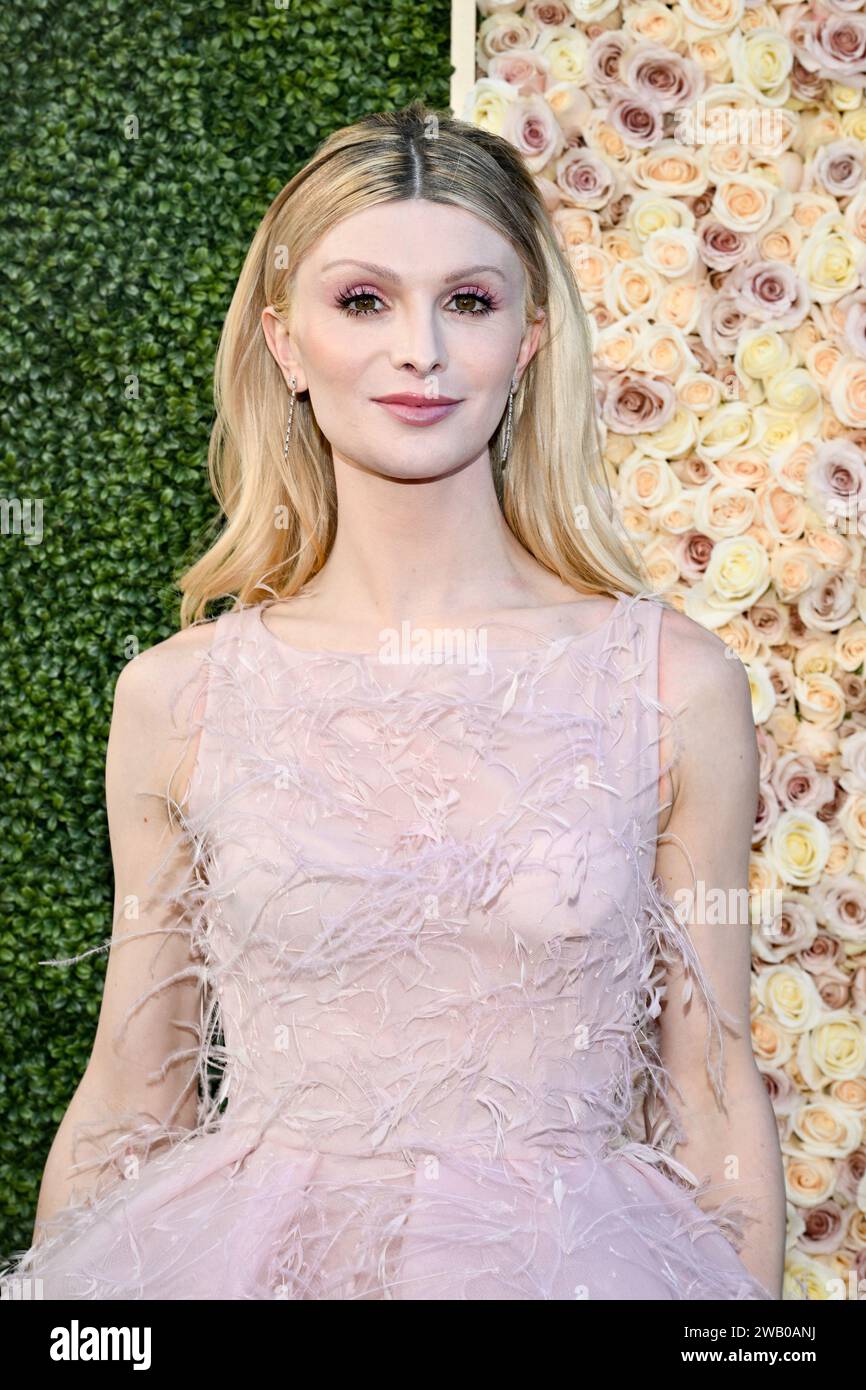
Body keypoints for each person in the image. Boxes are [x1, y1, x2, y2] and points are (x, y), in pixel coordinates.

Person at [0, 100, 785, 1300]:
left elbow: (712, 1092)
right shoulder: (180, 694)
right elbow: (132, 1089)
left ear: (525, 340)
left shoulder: (670, 681)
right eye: (361, 300)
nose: (417, 350)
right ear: (284, 341)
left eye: (466, 302)